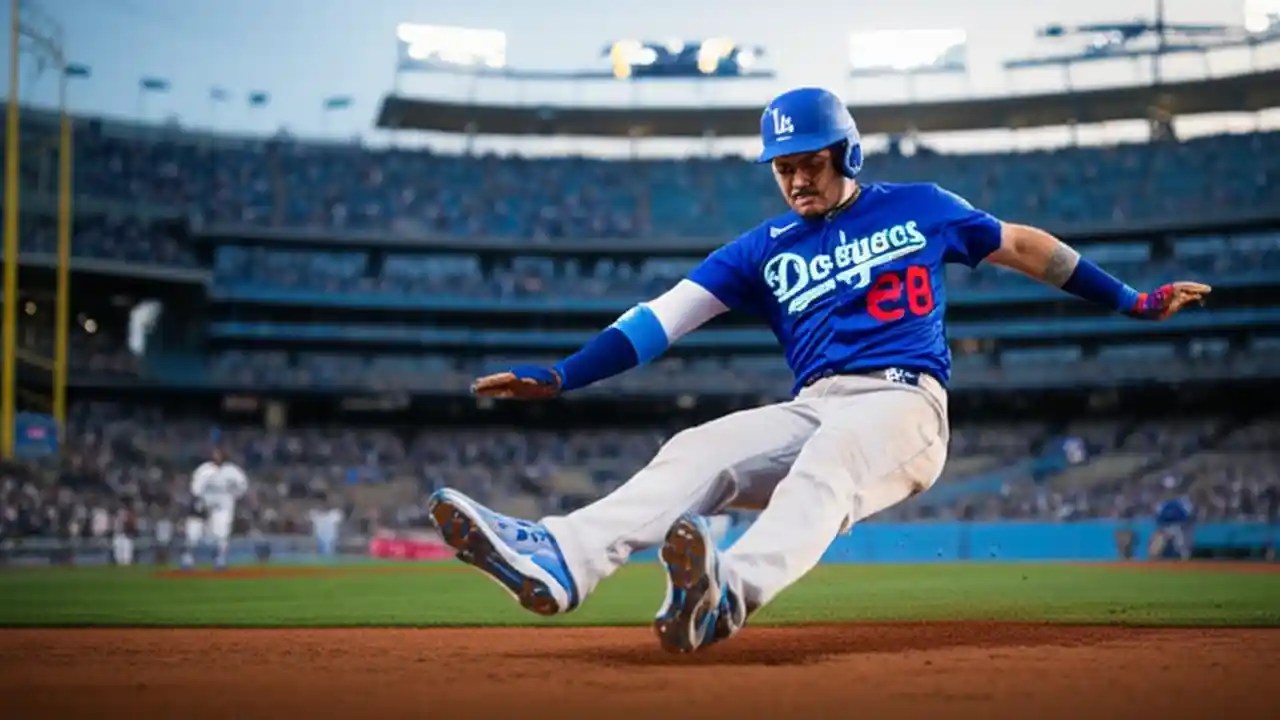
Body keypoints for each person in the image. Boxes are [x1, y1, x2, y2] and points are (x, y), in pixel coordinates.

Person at [426, 86, 1212, 653]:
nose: (797, 178)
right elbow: (663, 317)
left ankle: (727, 591)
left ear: (847, 153)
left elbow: (1024, 245)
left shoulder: (920, 206)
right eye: (783, 167)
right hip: (814, 403)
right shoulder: (762, 249)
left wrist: (1131, 301)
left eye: (811, 162)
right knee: (697, 449)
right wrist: (566, 373)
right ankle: (563, 561)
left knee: (832, 464)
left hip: (905, 405)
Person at [182, 446, 249, 570]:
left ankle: (220, 559)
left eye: (219, 454)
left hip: (223, 505)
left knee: (222, 532)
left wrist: (234, 496)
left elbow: (242, 486)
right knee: (193, 531)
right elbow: (195, 488)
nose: (216, 457)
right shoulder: (204, 470)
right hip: (204, 504)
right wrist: (198, 502)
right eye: (214, 454)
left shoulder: (233, 471)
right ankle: (188, 558)